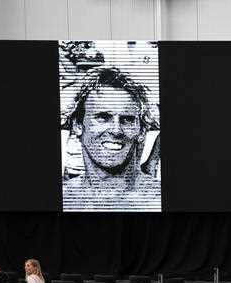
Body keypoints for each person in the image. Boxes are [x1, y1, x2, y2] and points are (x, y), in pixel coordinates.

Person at [62, 66, 160, 211]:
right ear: (77, 125)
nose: (116, 130)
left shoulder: (158, 200)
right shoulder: (64, 198)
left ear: (142, 131)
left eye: (127, 120)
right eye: (103, 117)